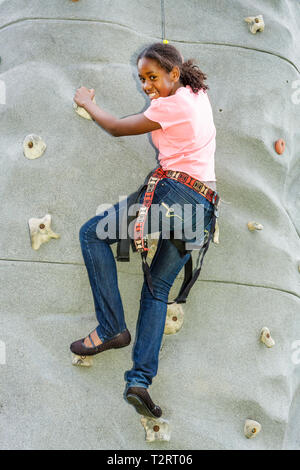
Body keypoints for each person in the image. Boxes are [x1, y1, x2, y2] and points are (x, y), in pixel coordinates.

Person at [71, 42, 218, 418]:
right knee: (156, 290)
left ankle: (110, 328)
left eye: (152, 77)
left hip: (175, 195)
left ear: (174, 72)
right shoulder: (196, 93)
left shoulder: (171, 105)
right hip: (202, 211)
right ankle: (140, 381)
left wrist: (86, 101)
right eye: (141, 79)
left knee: (93, 234)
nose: (146, 85)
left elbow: (119, 129)